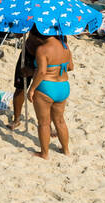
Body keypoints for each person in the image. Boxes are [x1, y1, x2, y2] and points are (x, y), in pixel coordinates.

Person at [27, 29, 74, 159]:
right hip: (63, 86)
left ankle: (44, 153)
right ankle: (65, 150)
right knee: (60, 121)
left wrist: (31, 89)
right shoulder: (65, 46)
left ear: (38, 36)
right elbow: (70, 67)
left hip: (46, 87)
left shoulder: (42, 49)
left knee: (44, 123)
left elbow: (42, 72)